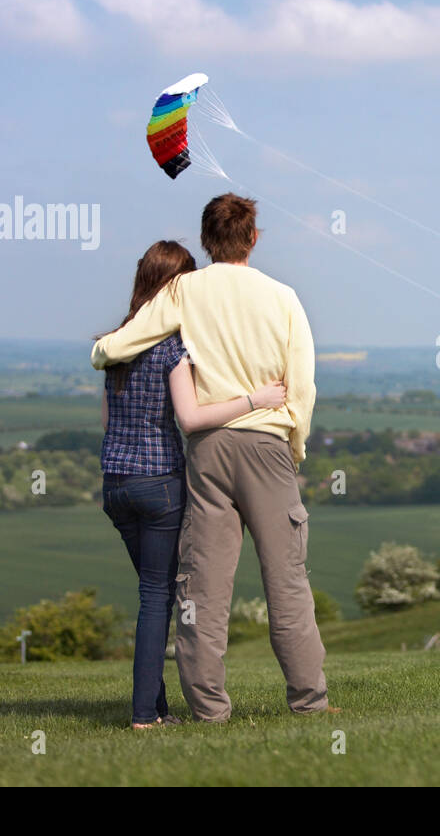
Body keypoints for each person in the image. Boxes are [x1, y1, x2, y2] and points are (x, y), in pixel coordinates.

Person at [91, 194, 333, 721]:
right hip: (267, 446)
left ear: (205, 240)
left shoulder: (183, 289)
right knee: (287, 580)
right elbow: (304, 387)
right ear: (253, 238)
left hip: (207, 451)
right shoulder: (284, 297)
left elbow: (115, 347)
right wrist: (295, 445)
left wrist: (100, 352)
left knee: (203, 586)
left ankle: (208, 712)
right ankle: (310, 704)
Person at [99, 239, 285, 729]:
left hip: (114, 483)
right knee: (157, 597)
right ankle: (144, 715)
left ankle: (157, 709)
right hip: (159, 481)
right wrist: (255, 399)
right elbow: (190, 417)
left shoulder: (116, 344)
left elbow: (106, 422)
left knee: (150, 594)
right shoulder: (171, 347)